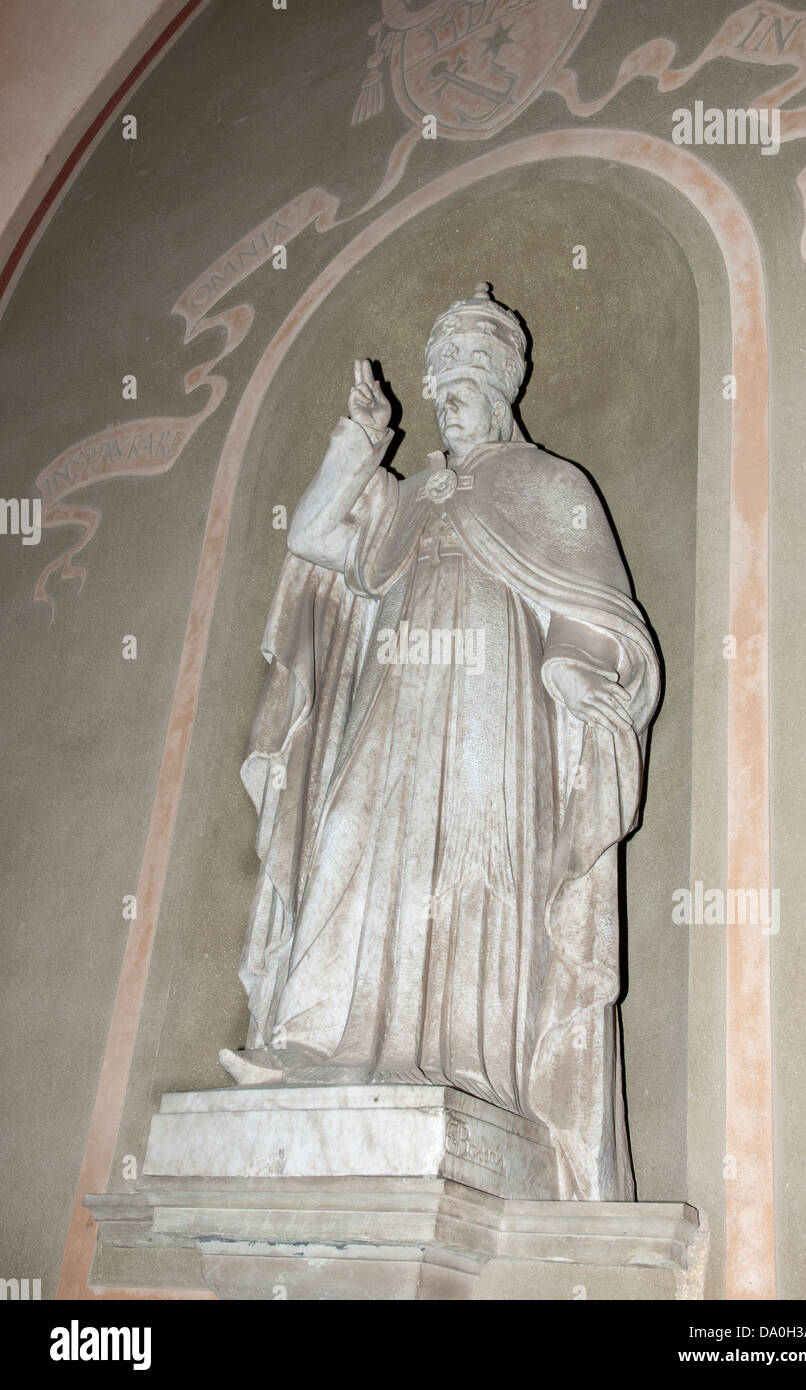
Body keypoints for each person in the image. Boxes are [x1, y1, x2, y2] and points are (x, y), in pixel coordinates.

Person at [220, 284, 660, 1199]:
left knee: (472, 873)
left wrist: (578, 674)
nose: (445, 395)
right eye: (438, 382)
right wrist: (361, 444)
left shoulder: (551, 485)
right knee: (347, 842)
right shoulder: (413, 494)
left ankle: (465, 1063)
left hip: (492, 713)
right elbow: (312, 537)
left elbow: (593, 611)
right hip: (392, 699)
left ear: (503, 385)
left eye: (464, 379)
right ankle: (316, 1041)